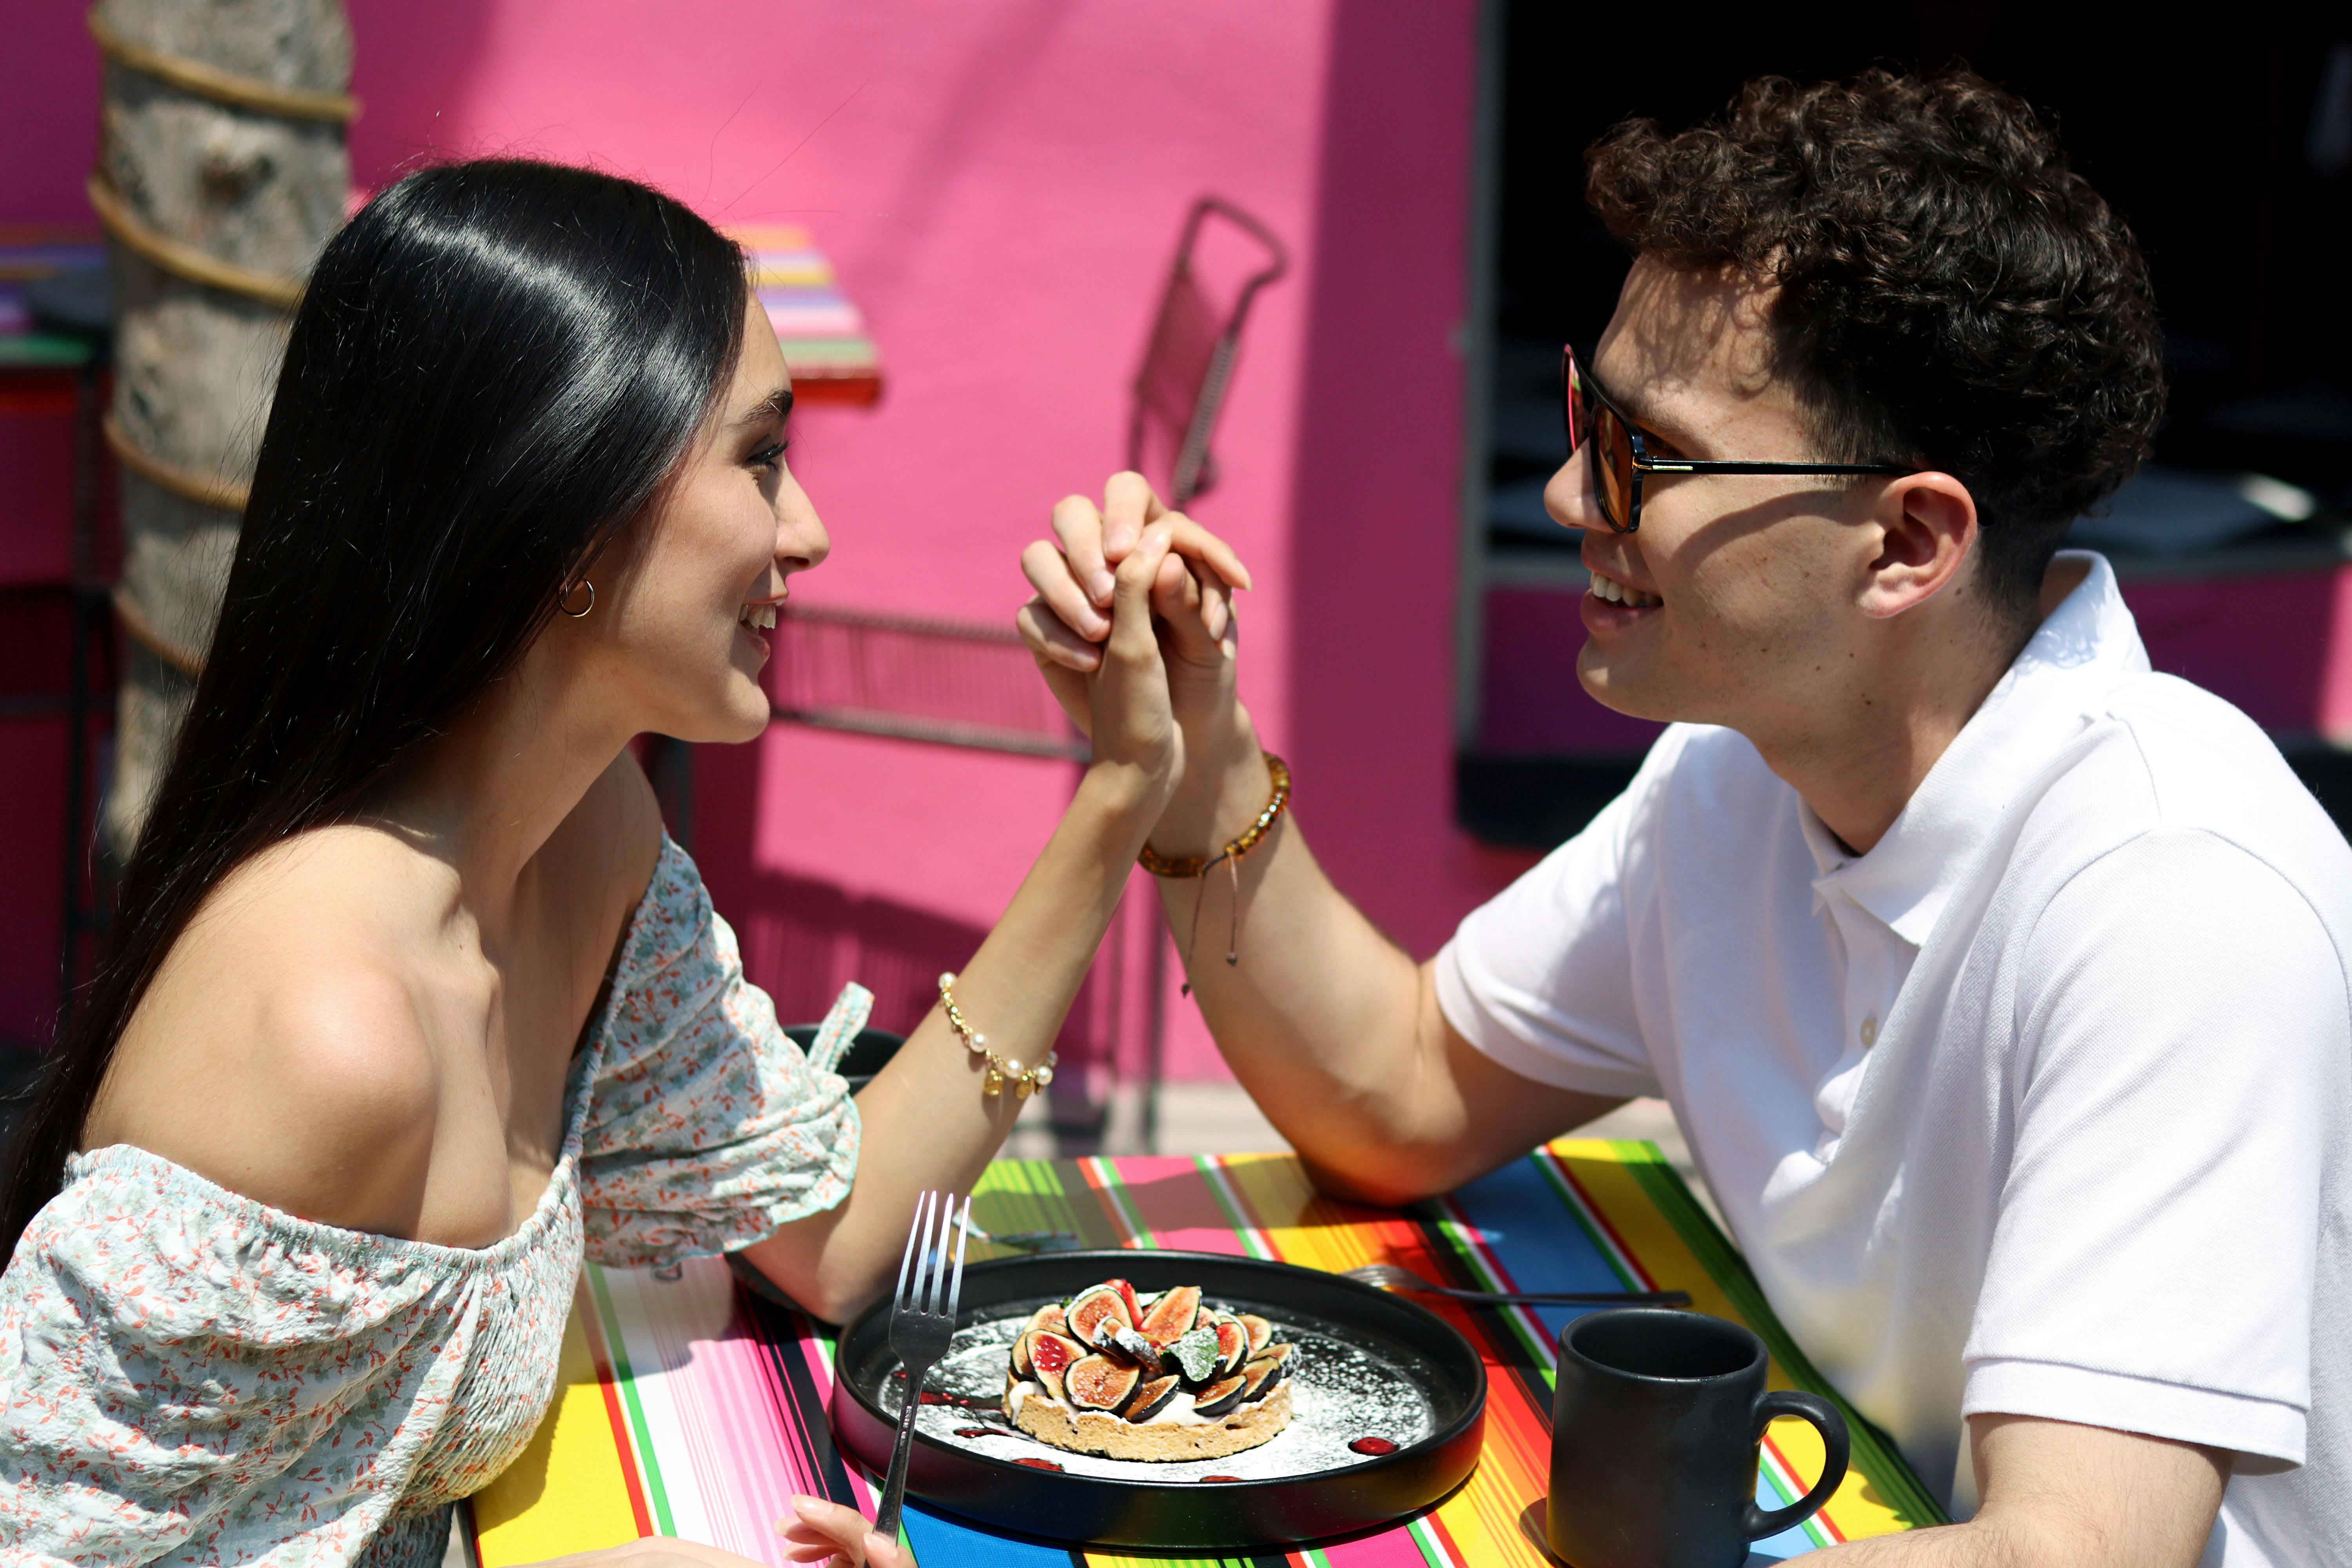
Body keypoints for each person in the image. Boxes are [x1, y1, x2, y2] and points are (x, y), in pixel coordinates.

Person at [1020, 72, 2348, 1567]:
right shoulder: (1740, 777)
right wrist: (1195, 746)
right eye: (1592, 409)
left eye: (1646, 452)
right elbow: (1396, 1095)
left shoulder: (2172, 893)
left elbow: (2078, 1554)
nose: (1568, 483)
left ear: (1909, 541)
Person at [0, 160, 1240, 1568]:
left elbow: (836, 1239)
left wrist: (1128, 784)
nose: (811, 532)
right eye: (762, 456)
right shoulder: (325, 1031)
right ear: (568, 515)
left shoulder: (586, 845)